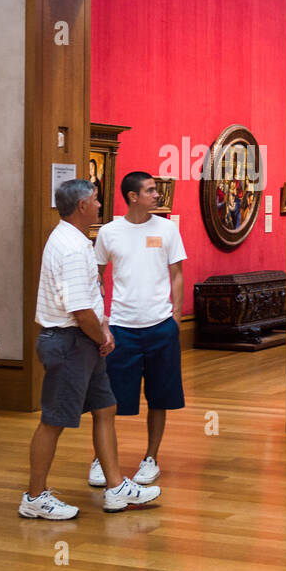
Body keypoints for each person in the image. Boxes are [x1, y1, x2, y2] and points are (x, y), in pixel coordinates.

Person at [20, 179, 161, 519]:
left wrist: (104, 327)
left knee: (105, 408)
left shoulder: (76, 240)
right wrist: (102, 337)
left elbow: (90, 302)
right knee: (53, 421)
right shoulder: (68, 246)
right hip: (69, 343)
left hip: (84, 340)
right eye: (96, 200)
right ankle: (34, 497)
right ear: (82, 206)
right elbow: (80, 310)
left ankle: (115, 488)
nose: (100, 205)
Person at [89, 171, 186, 489]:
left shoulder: (167, 229)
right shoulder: (109, 232)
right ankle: (102, 460)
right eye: (151, 190)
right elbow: (97, 274)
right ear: (133, 197)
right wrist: (102, 318)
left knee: (160, 396)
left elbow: (177, 274)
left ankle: (151, 458)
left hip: (160, 327)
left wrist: (176, 316)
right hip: (121, 329)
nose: (157, 195)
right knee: (110, 399)